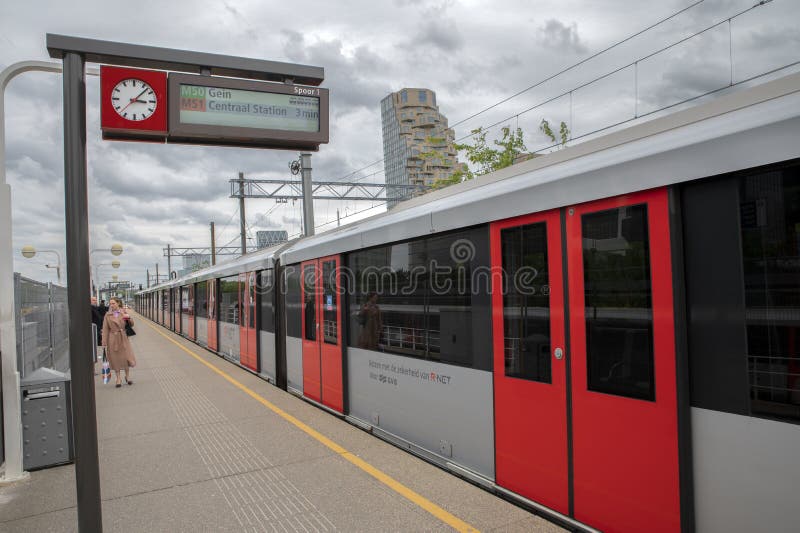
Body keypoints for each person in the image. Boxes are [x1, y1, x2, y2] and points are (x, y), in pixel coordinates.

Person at [102, 297, 137, 387]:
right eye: (110, 303)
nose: (111, 305)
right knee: (115, 359)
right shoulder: (107, 315)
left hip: (123, 337)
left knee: (126, 357)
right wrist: (104, 341)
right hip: (113, 338)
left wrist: (128, 318)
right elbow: (105, 329)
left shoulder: (123, 312)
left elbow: (132, 324)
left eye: (113, 303)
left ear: (118, 303)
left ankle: (127, 377)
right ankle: (118, 378)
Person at [90, 297, 104, 375]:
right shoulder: (90, 309)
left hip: (96, 331)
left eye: (95, 300)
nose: (95, 301)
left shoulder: (95, 308)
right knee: (92, 352)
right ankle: (92, 371)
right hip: (92, 332)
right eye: (93, 300)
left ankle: (93, 370)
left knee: (93, 351)